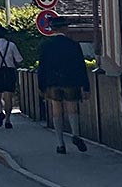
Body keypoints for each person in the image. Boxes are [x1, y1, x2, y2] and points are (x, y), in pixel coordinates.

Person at [36, 14, 90, 154]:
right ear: (65, 28)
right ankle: (75, 134)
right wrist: (86, 86)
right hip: (70, 81)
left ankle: (60, 144)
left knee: (56, 110)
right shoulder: (73, 45)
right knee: (72, 108)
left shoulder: (46, 45)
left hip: (52, 82)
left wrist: (41, 86)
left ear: (52, 29)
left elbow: (42, 67)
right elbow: (80, 67)